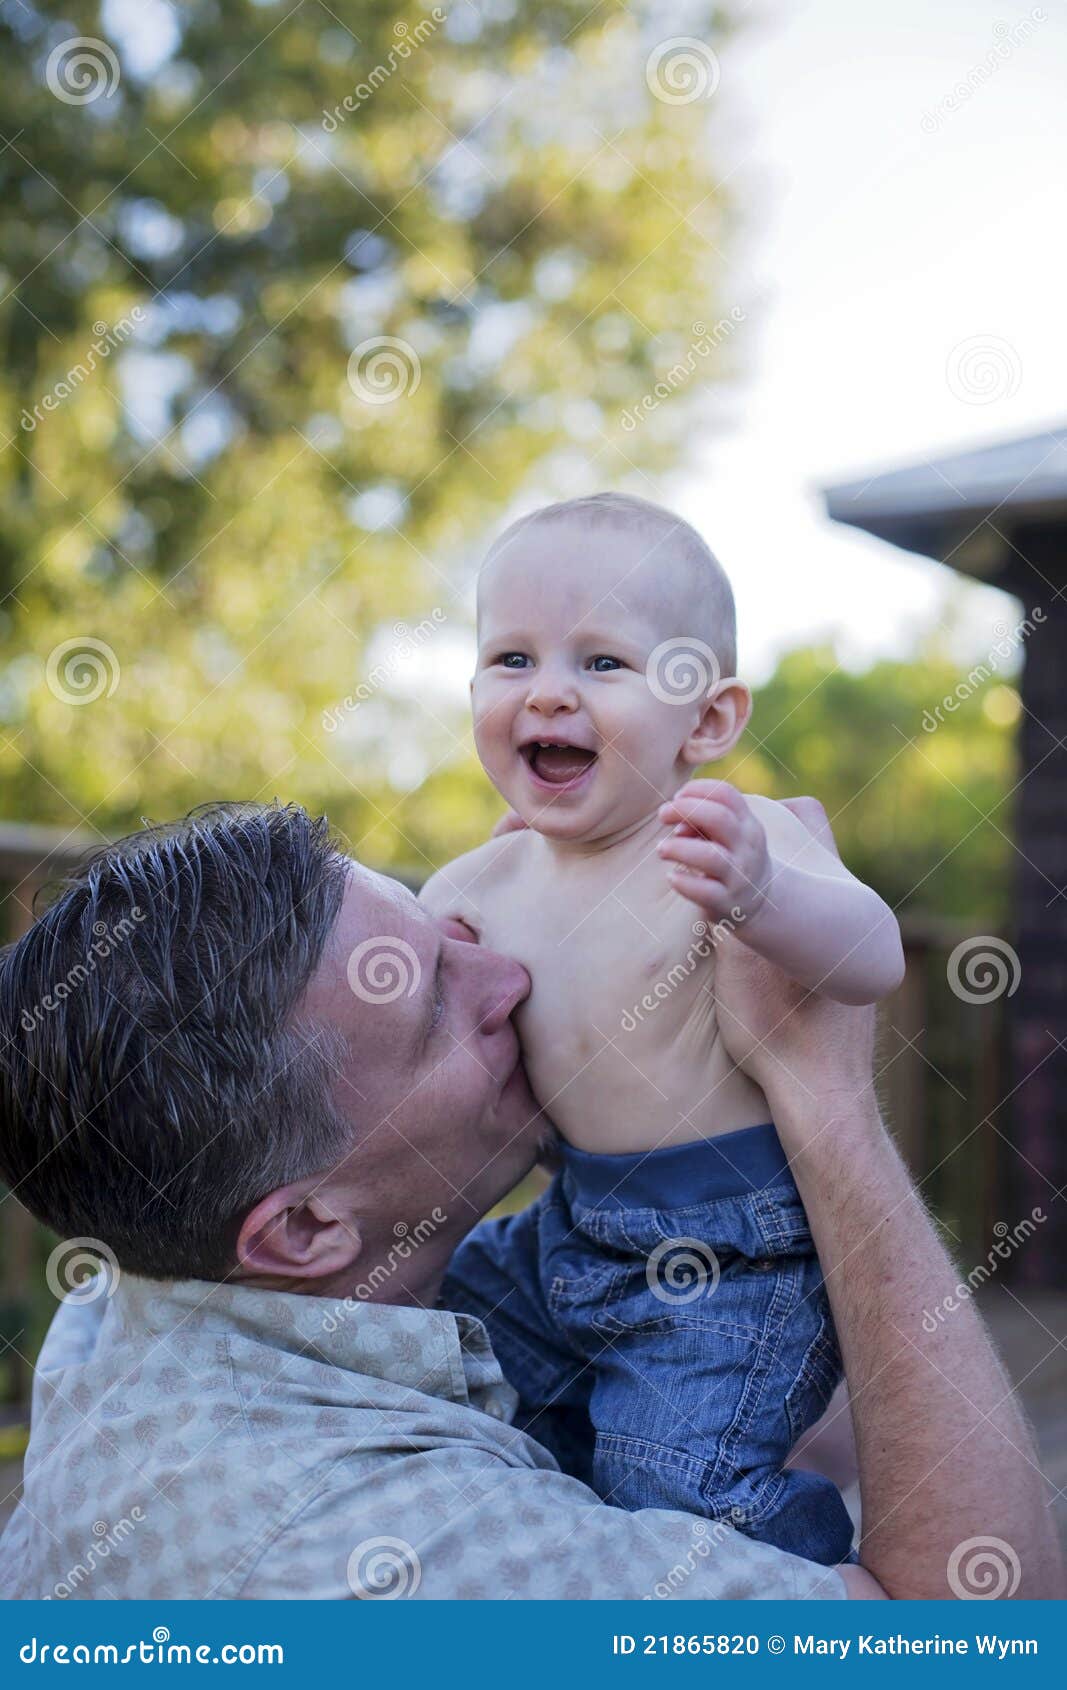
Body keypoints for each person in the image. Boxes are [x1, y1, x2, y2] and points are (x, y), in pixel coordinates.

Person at [0, 804, 1058, 1599]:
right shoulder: (405, 1554)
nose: (505, 973)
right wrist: (824, 1102)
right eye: (434, 1009)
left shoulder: (134, 1295)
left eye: (445, 927)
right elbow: (979, 1636)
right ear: (305, 1228)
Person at [421, 491, 905, 1558]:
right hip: (566, 1225)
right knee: (422, 1340)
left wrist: (762, 899)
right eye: (511, 659)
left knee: (668, 1482)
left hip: (734, 1255)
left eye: (601, 663)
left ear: (709, 720)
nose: (547, 691)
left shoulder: (722, 842)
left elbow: (874, 955)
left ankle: (802, 1558)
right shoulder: (480, 878)